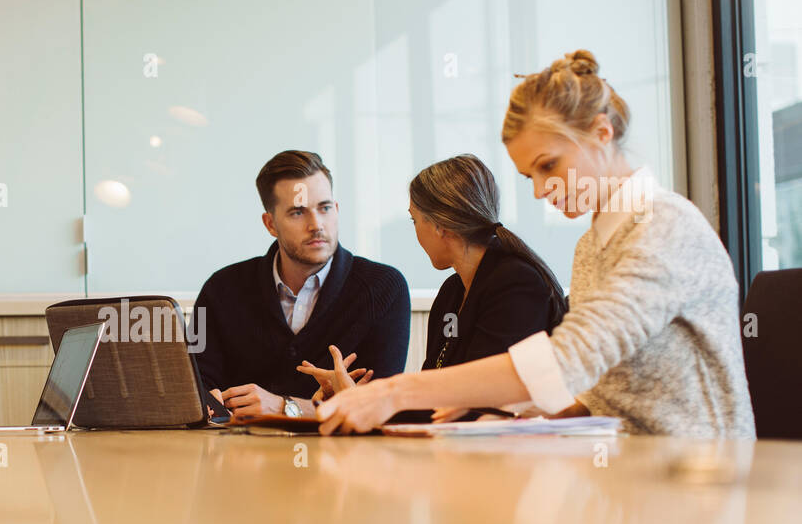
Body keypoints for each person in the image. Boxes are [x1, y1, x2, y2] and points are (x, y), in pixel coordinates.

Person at [317, 50, 754, 438]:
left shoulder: (664, 227)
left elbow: (568, 359)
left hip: (698, 480)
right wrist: (516, 411)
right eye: (531, 176)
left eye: (549, 166)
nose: (541, 190)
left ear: (602, 133)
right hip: (628, 472)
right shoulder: (592, 246)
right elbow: (601, 397)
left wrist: (395, 392)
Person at [302, 154, 566, 419]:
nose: (415, 232)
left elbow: (478, 406)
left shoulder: (516, 286)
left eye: (414, 220)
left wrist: (365, 402)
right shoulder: (452, 292)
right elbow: (435, 392)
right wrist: (363, 400)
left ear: (440, 226)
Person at [194, 149, 410, 418]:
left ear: (337, 209)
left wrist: (286, 407)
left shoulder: (383, 288)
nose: (316, 225)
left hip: (344, 455)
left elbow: (381, 404)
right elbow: (198, 383)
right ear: (270, 224)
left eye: (325, 208)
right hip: (241, 453)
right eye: (298, 213)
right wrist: (207, 400)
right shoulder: (221, 289)